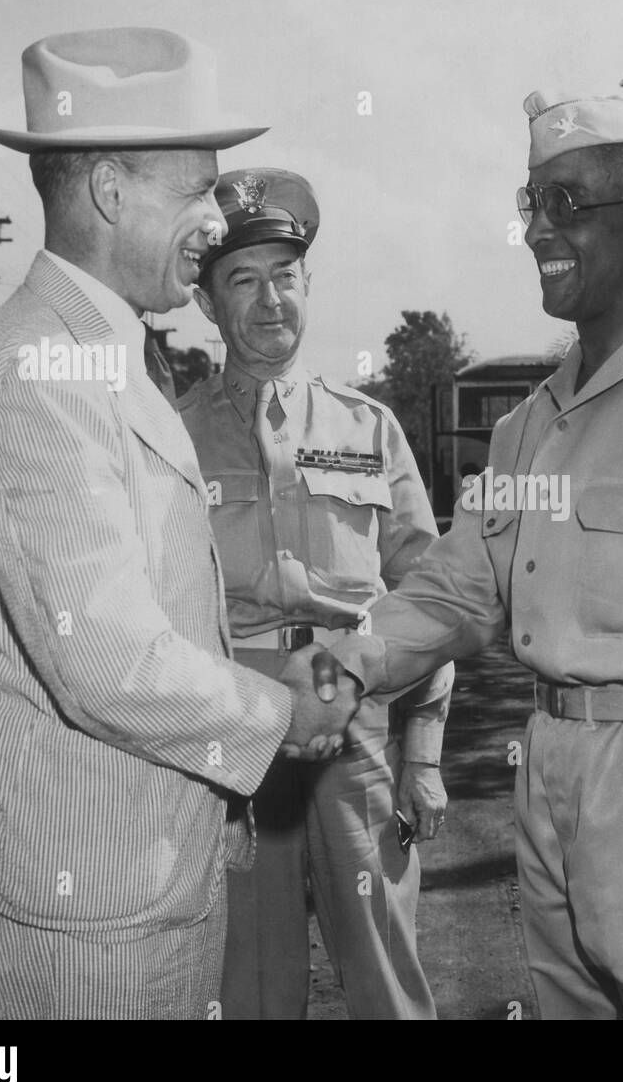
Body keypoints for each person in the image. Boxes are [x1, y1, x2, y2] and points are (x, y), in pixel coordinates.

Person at [320, 90, 623, 1019]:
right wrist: (348, 662)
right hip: (551, 767)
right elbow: (460, 590)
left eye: (567, 203)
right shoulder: (527, 426)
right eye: (531, 201)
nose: (537, 228)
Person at [0, 28, 356, 1020]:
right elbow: (106, 658)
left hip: (138, 879)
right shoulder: (42, 371)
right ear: (110, 191)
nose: (216, 218)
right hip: (89, 919)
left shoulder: (103, 352)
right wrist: (282, 711)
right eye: (196, 190)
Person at [179, 168, 452, 1019]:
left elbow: (431, 598)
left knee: (386, 979)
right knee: (250, 988)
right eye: (243, 280)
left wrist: (425, 753)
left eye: (285, 276)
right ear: (206, 302)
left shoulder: (368, 428)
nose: (271, 301)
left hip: (355, 725)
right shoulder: (170, 438)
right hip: (232, 732)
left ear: (309, 283)